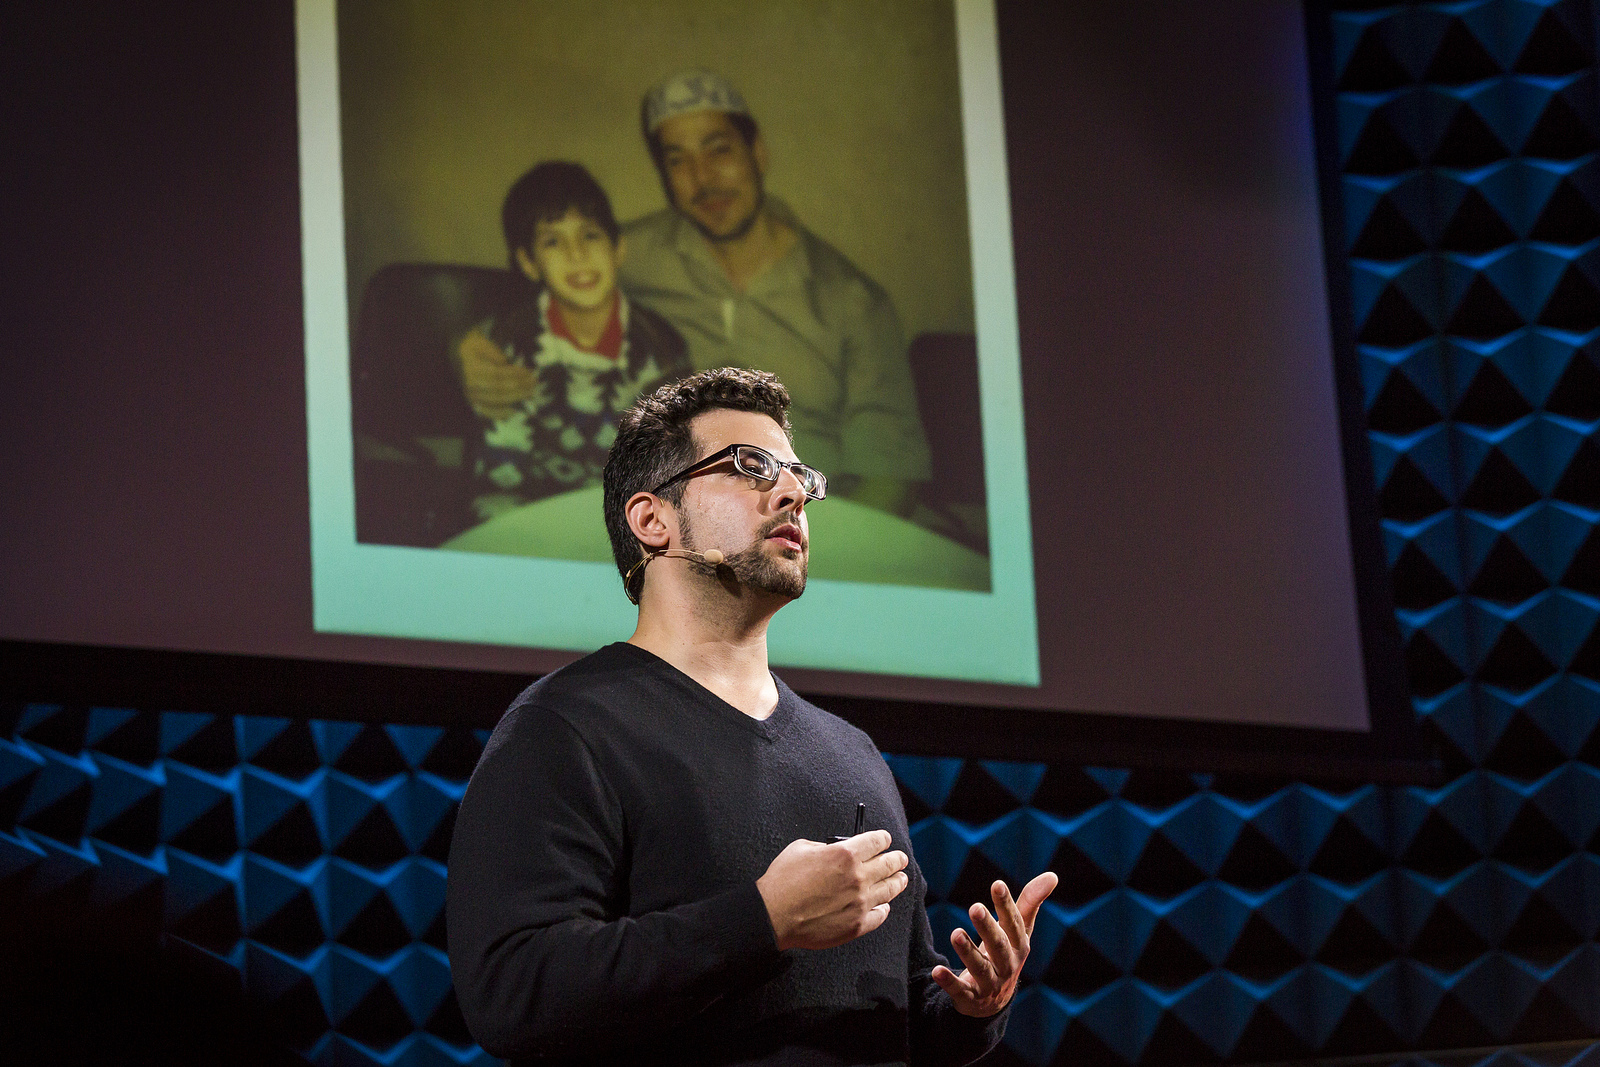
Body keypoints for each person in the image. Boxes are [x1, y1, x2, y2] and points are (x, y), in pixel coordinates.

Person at [446, 367, 1056, 1066]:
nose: (794, 492)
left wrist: (972, 1008)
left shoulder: (851, 753)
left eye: (800, 476)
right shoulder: (565, 727)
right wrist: (762, 920)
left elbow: (899, 1012)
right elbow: (513, 990)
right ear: (652, 519)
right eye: (750, 466)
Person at [460, 71, 933, 519]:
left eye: (718, 149)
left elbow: (890, 478)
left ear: (759, 153)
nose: (702, 178)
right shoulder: (637, 251)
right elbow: (540, 280)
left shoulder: (852, 301)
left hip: (807, 522)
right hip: (674, 527)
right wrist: (465, 349)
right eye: (677, 160)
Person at [460, 161, 691, 519]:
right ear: (528, 262)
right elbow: (498, 472)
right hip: (525, 510)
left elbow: (666, 475)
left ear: (618, 249)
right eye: (553, 241)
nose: (576, 254)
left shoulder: (662, 351)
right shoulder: (505, 346)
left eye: (590, 235)